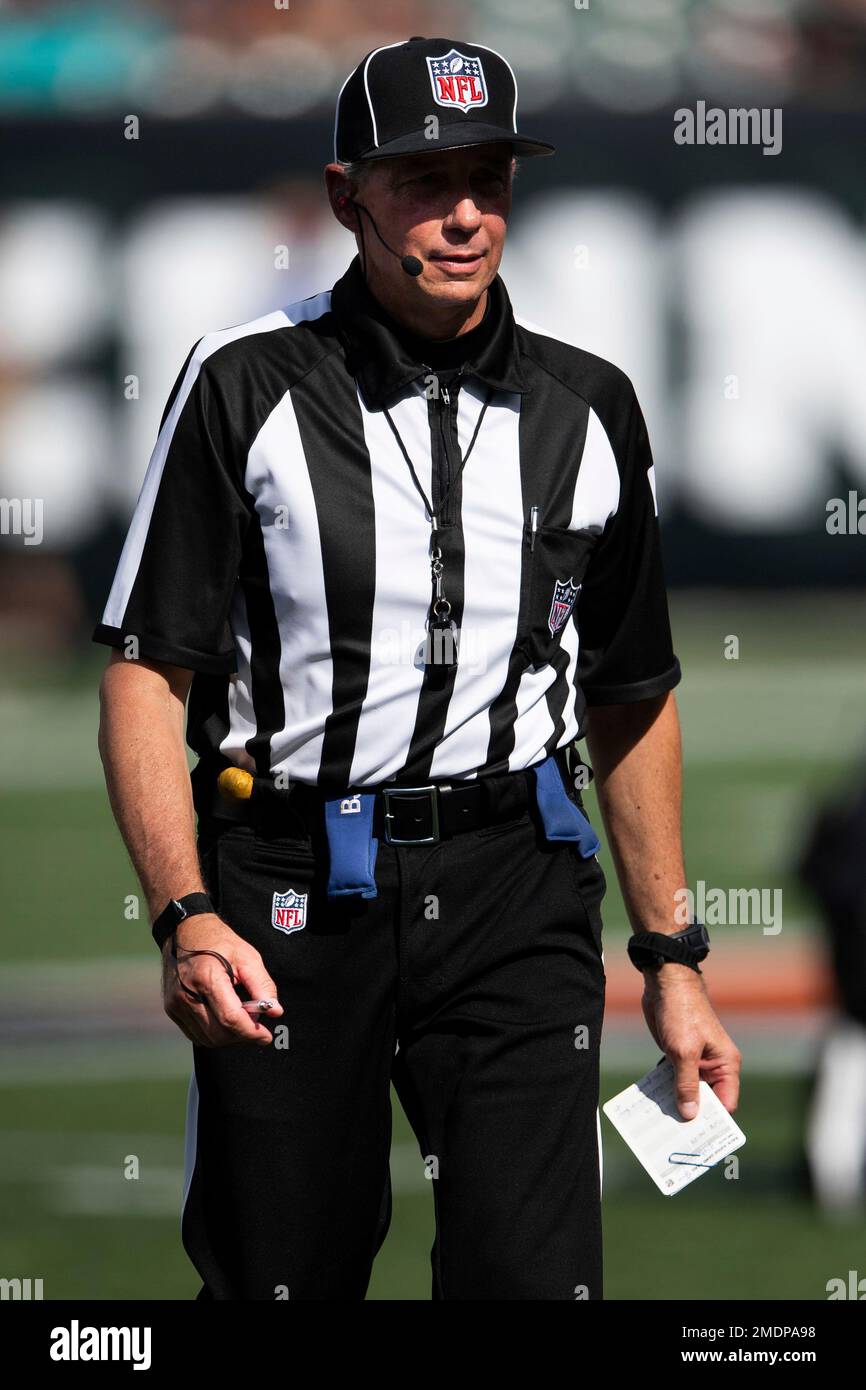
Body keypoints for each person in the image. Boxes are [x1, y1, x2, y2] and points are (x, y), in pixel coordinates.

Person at [95, 36, 741, 1300]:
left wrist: (671, 956)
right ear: (347, 198)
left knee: (531, 1279)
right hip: (288, 882)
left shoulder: (588, 407)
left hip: (516, 885)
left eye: (488, 178)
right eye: (422, 179)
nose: (462, 215)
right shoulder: (243, 385)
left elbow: (630, 687)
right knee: (281, 1274)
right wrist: (183, 914)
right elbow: (144, 672)